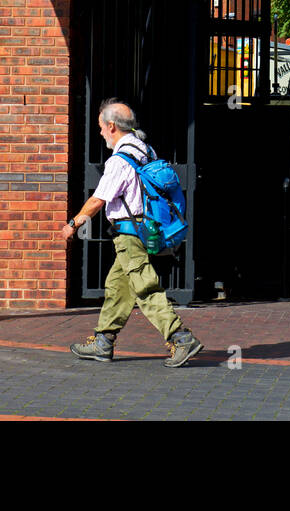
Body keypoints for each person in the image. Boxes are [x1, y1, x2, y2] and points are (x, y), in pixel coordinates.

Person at [63, 98, 203, 368]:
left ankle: (180, 337)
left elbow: (98, 199)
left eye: (101, 128)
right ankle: (103, 341)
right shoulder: (145, 149)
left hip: (129, 233)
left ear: (112, 126)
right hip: (143, 228)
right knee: (118, 287)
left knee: (145, 287)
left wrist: (72, 224)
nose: (101, 132)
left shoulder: (120, 160)